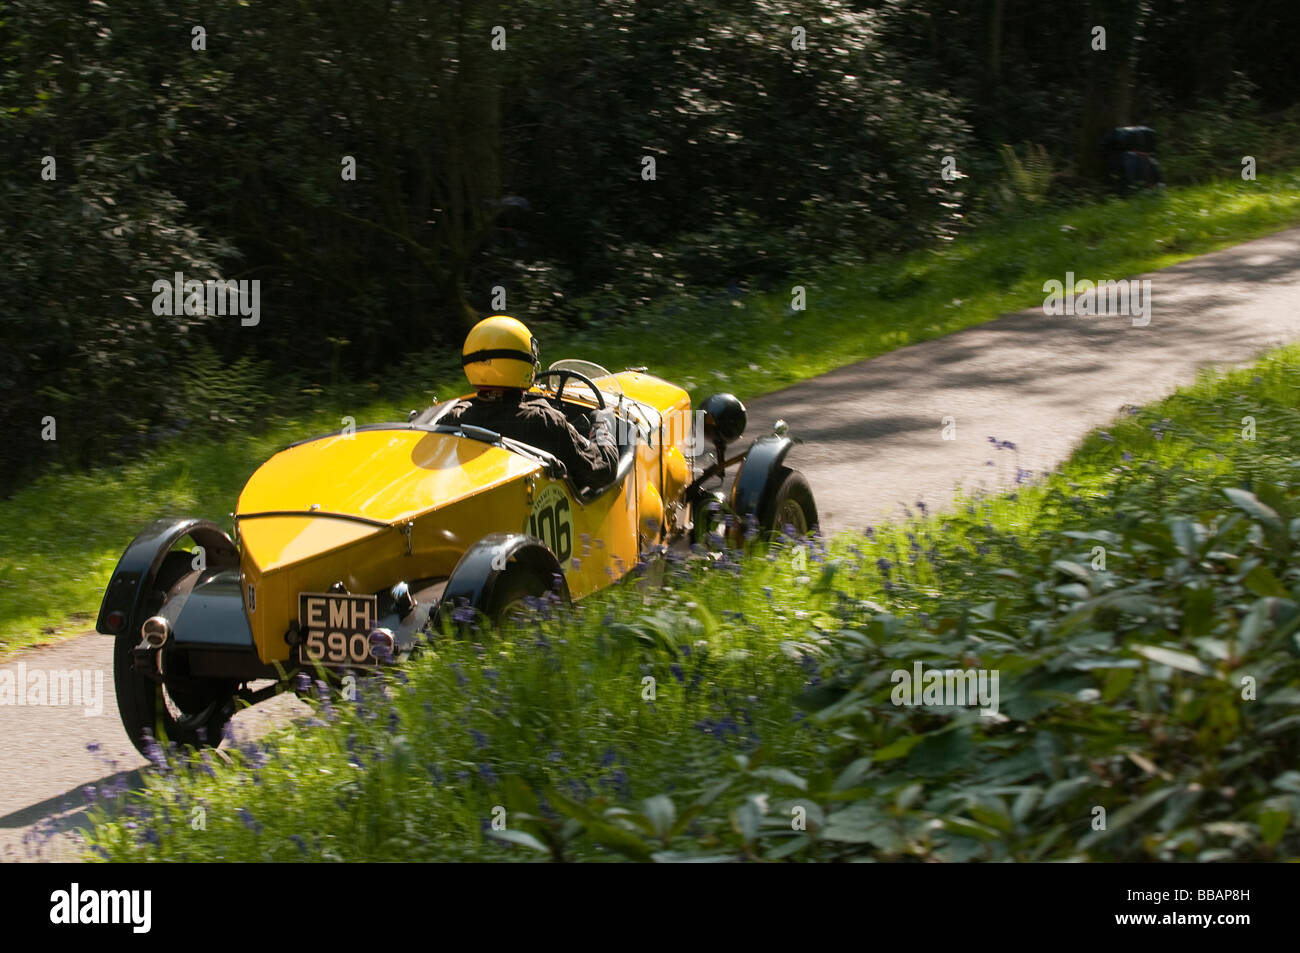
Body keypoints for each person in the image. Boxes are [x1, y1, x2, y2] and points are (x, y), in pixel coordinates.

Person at [442, 315, 619, 490]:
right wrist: (603, 424)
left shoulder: (452, 420)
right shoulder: (544, 422)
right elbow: (602, 471)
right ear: (527, 365)